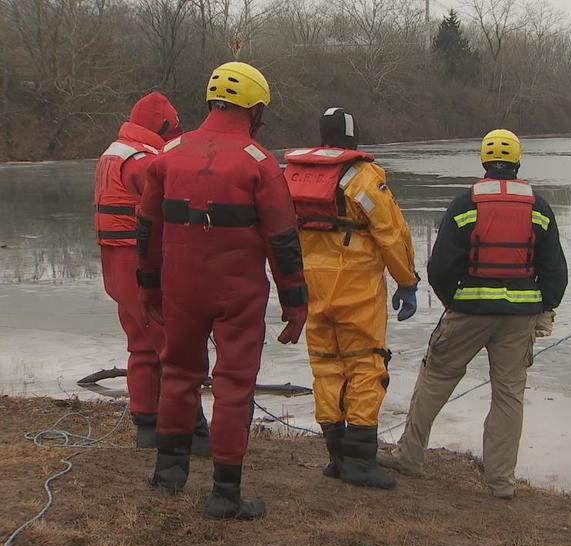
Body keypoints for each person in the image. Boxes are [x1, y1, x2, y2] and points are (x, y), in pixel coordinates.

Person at [137, 62, 308, 520]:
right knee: (234, 386)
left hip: (180, 290)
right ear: (254, 109)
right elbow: (283, 240)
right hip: (239, 296)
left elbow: (146, 228)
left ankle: (169, 473)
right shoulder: (259, 162)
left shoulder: (168, 153)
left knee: (177, 372)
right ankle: (224, 495)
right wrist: (296, 303)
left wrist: (148, 286)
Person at [379, 129, 568, 499]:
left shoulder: (465, 204)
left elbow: (441, 266)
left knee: (435, 378)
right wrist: (546, 307)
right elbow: (554, 270)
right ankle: (501, 482)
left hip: (467, 311)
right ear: (517, 162)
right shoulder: (539, 207)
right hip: (519, 318)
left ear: (484, 161)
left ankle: (410, 456)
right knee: (509, 395)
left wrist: (453, 300)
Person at [284, 107, 418, 490]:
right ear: (352, 138)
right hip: (356, 288)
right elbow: (391, 233)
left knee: (326, 367)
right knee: (364, 366)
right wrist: (406, 281)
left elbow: (279, 233)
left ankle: (336, 457)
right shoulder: (362, 178)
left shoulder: (292, 178)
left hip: (312, 287)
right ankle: (360, 461)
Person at [93, 92, 210, 454]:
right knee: (174, 347)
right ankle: (193, 431)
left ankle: (146, 425)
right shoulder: (143, 162)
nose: (177, 134)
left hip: (114, 266)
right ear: (161, 127)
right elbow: (173, 202)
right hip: (137, 264)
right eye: (173, 129)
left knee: (141, 345)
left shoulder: (115, 152)